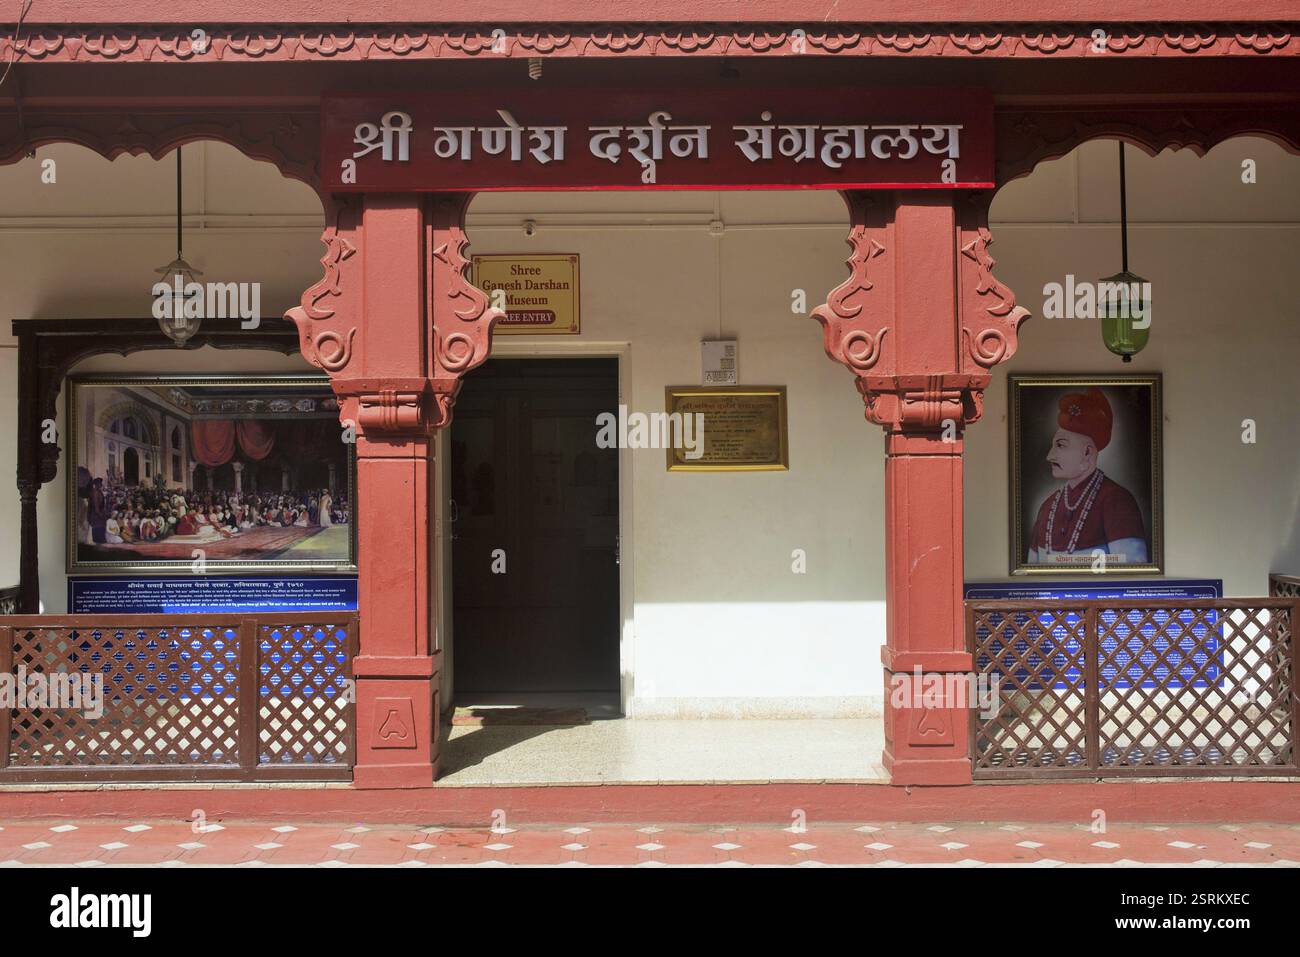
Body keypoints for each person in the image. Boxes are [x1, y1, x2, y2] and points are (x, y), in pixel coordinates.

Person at [1028, 387, 1148, 564]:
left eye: (1060, 445)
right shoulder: (1047, 506)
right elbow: (1030, 572)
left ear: (1087, 452)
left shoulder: (1117, 500)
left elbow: (1132, 571)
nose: (1050, 456)